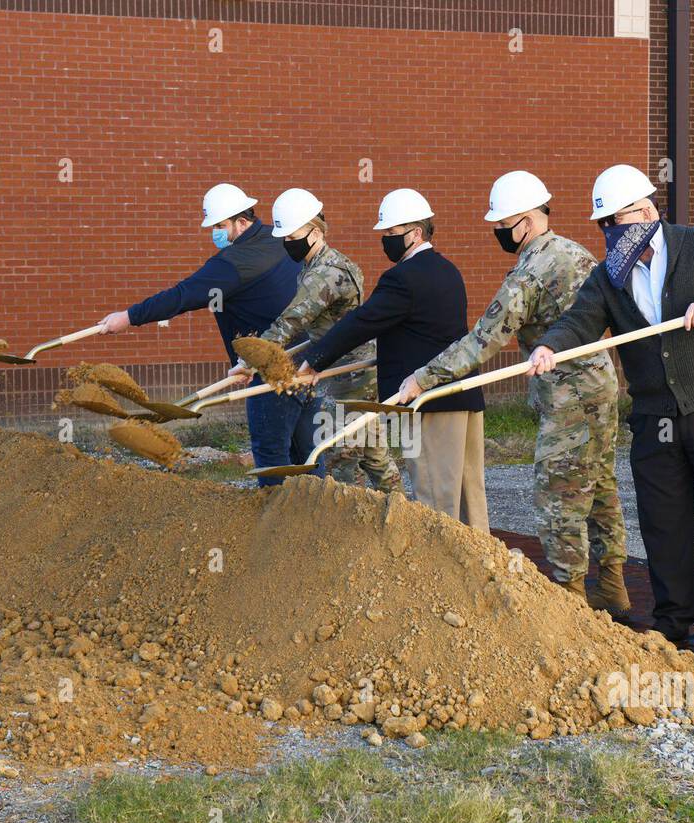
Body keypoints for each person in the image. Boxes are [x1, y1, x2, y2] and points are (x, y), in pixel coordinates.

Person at [528, 164, 694, 654]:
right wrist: (550, 346)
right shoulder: (610, 276)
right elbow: (580, 319)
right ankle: (673, 621)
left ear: (645, 212)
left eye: (615, 222)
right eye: (602, 226)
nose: (608, 234)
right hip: (654, 416)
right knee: (664, 520)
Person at [397, 171, 628, 613]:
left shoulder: (531, 272)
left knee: (558, 494)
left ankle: (570, 598)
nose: (499, 233)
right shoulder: (575, 252)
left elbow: (484, 339)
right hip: (601, 386)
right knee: (599, 484)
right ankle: (614, 588)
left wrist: (424, 377)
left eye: (502, 225)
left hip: (568, 399)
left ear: (525, 220)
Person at [96, 182, 320, 486]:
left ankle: (278, 519)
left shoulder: (233, 264)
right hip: (308, 360)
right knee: (308, 451)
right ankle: (319, 515)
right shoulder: (278, 240)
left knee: (270, 454)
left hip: (271, 371)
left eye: (220, 225)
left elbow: (182, 296)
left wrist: (129, 317)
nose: (215, 232)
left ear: (242, 221)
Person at [297, 188, 488, 530]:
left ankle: (442, 576)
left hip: (430, 403)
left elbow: (362, 322)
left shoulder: (402, 279)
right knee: (467, 495)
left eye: (390, 234)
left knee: (435, 500)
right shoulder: (449, 270)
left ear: (415, 233)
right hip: (464, 395)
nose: (385, 240)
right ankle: (485, 573)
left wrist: (315, 360)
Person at [228, 188, 401, 492]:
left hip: (347, 376)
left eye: (292, 236)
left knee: (340, 460)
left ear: (314, 230)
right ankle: (402, 513)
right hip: (344, 369)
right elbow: (316, 327)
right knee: (374, 454)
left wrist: (250, 360)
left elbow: (292, 320)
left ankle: (346, 525)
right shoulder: (317, 265)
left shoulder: (327, 273)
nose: (288, 244)